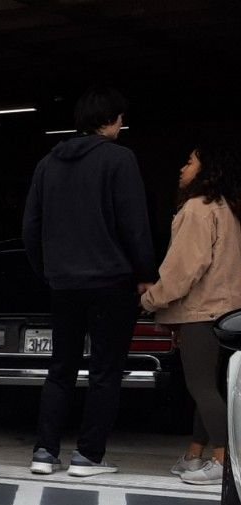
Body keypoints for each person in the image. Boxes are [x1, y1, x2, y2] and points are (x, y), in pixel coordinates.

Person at [21, 86, 155, 477]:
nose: (122, 125)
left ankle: (44, 453)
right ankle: (89, 456)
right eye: (120, 119)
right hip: (111, 282)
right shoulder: (120, 159)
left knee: (60, 367)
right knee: (104, 370)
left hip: (63, 283)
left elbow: (30, 226)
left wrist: (47, 269)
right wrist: (145, 273)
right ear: (110, 121)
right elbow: (135, 223)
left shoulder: (48, 163)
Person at [139, 137, 241, 484]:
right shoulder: (228, 207)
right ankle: (195, 455)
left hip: (202, 312)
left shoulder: (197, 209)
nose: (183, 168)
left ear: (207, 170)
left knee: (201, 386)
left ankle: (224, 462)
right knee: (210, 386)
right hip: (228, 314)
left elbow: (184, 269)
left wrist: (151, 299)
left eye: (190, 161)